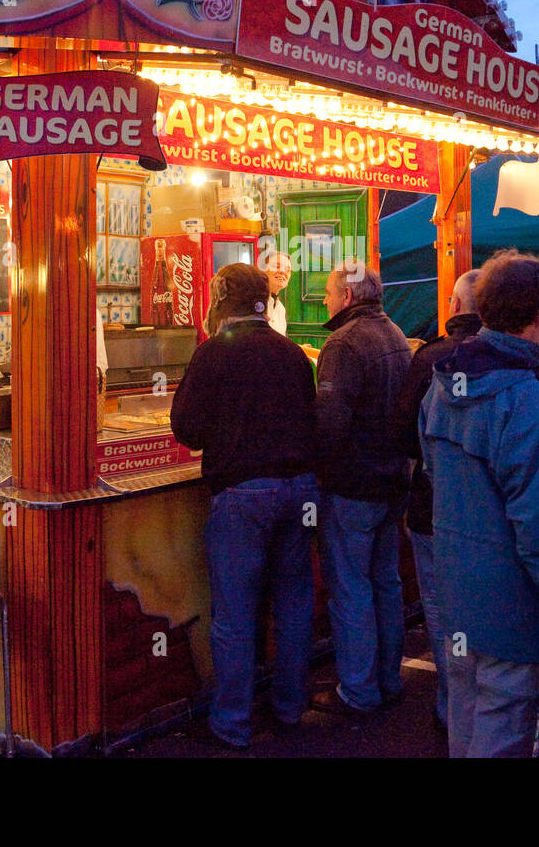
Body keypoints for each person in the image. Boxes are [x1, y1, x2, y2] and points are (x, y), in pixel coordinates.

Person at [420, 251, 539, 757]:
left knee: (467, 724)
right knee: (501, 734)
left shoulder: (442, 383)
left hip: (457, 589)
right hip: (513, 607)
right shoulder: (526, 399)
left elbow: (433, 473)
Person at [169, 264, 319, 749]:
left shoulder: (213, 355)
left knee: (235, 614)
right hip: (300, 491)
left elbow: (186, 430)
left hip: (244, 494)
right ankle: (290, 707)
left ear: (220, 302)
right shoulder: (293, 354)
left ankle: (231, 722)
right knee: (293, 605)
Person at [312, 260, 413, 715]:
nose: (327, 302)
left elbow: (330, 424)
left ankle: (358, 690)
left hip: (353, 486)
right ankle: (388, 679)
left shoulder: (343, 343)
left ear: (347, 297)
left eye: (330, 294)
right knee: (385, 584)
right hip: (392, 481)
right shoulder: (394, 333)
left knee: (352, 589)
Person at [390, 268, 482, 733]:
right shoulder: (522, 362)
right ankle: (481, 707)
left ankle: (454, 706)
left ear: (455, 306)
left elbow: (405, 434)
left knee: (443, 610)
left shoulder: (433, 359)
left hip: (434, 511)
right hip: (489, 515)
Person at [262, 250, 292, 336]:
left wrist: (297, 348)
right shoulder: (251, 304)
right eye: (277, 266)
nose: (283, 272)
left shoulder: (281, 309)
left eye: (287, 270)